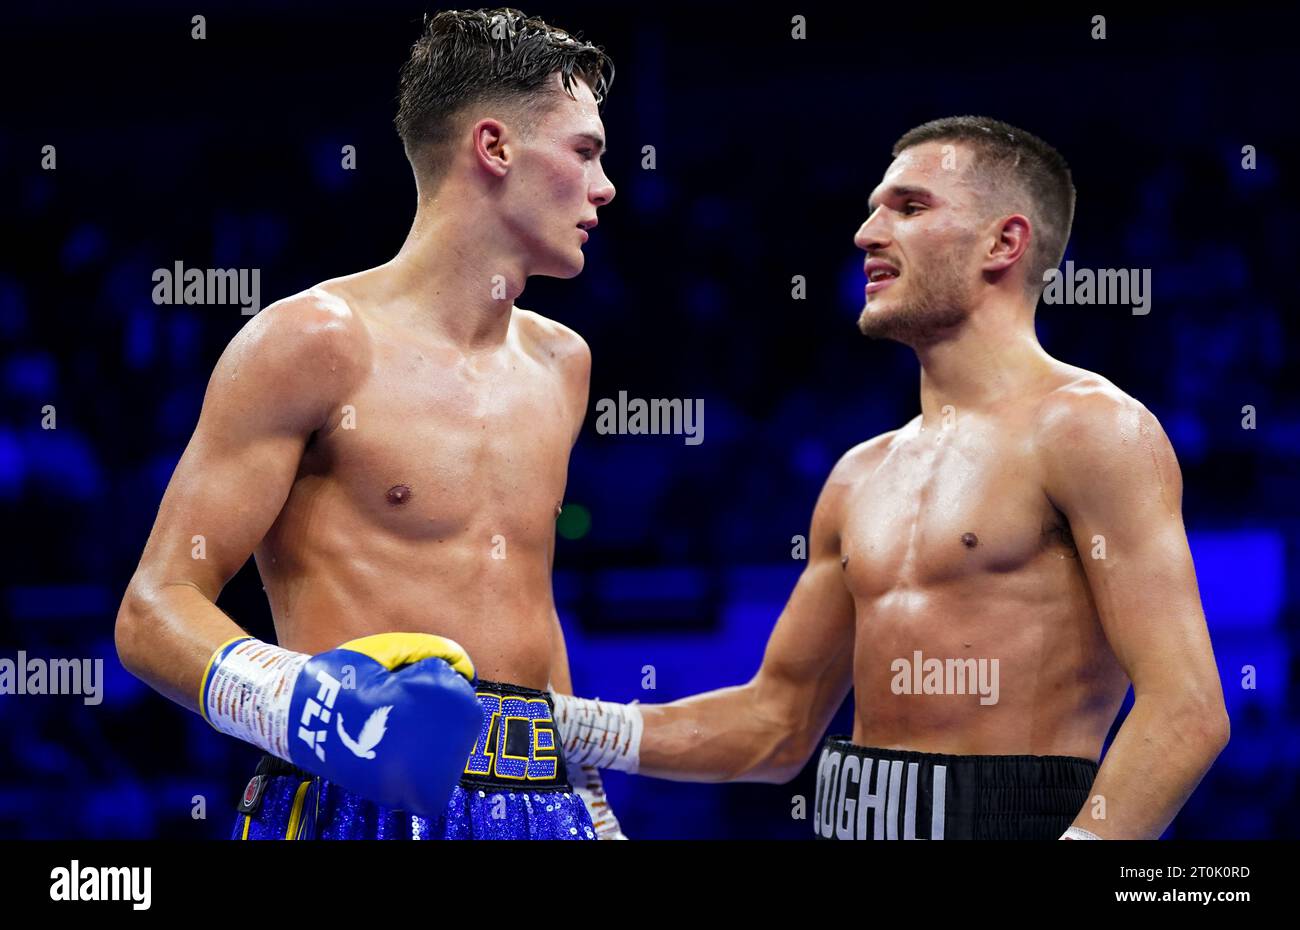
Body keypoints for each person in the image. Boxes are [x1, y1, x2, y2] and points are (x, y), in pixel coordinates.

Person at [553, 116, 1229, 840]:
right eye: (876, 207)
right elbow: (776, 724)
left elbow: (1186, 708)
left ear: (1004, 243)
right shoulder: (858, 475)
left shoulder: (1091, 430)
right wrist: (575, 726)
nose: (867, 233)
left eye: (909, 208)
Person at [115, 7, 625, 840]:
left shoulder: (563, 364)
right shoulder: (314, 342)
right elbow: (154, 605)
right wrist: (311, 708)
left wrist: (594, 811)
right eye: (585, 151)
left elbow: (528, 606)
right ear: (494, 148)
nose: (607, 185)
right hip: (353, 798)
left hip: (539, 799)